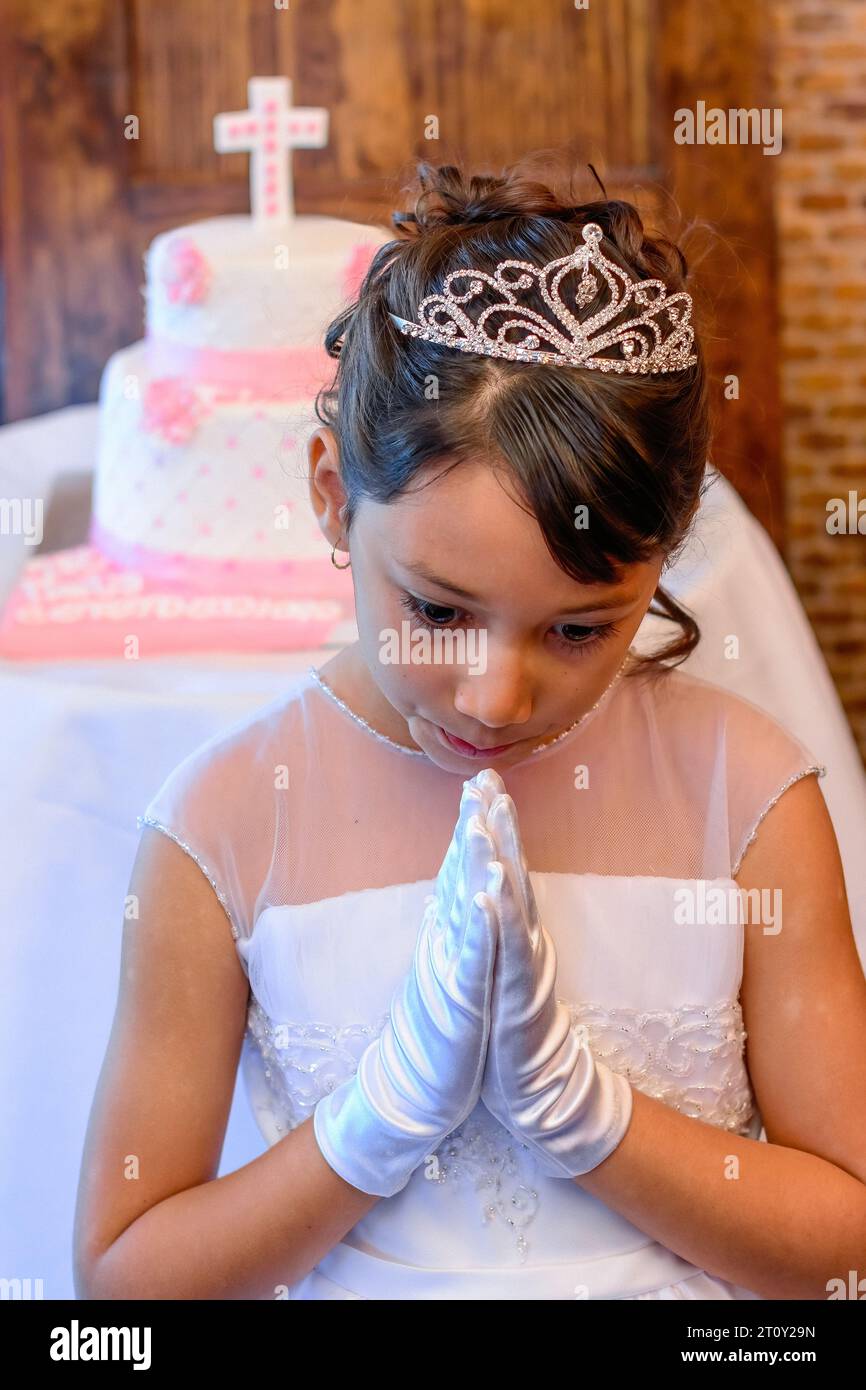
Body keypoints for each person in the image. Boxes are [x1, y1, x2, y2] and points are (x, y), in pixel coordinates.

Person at [73, 158, 866, 1301]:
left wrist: (596, 1125)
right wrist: (371, 1127)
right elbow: (121, 1283)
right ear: (331, 496)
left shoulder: (743, 798)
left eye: (581, 629)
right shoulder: (222, 824)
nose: (495, 696)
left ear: (665, 557)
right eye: (437, 610)